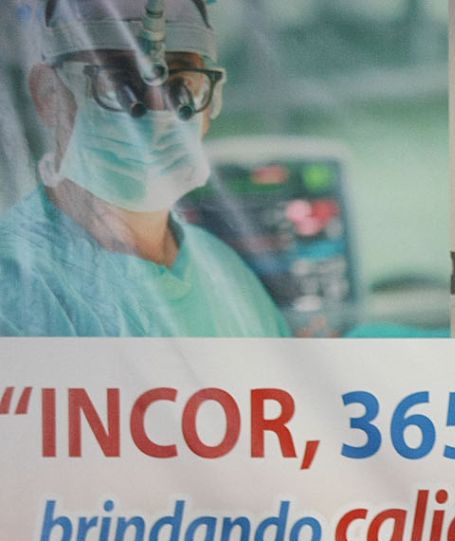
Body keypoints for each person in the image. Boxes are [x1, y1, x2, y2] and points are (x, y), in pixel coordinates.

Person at [0, 0, 288, 336]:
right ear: (49, 95)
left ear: (212, 99)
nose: (156, 115)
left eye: (181, 87)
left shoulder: (226, 275)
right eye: (116, 85)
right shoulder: (17, 283)